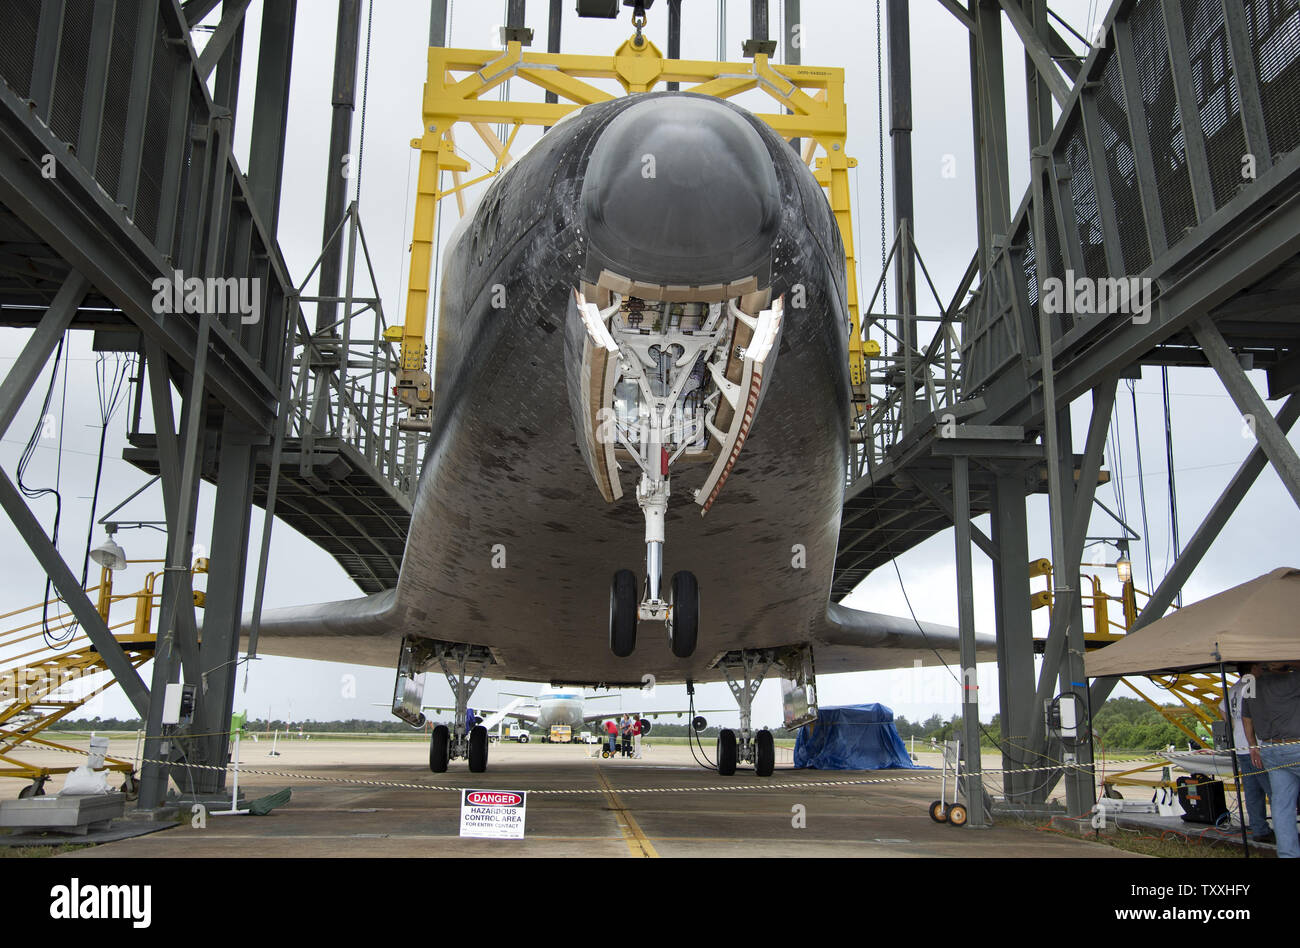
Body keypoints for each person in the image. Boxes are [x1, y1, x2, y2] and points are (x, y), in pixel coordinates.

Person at [1242, 661, 1300, 858]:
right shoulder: (1293, 679)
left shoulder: (1250, 686)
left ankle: (1288, 854)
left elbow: (1246, 719)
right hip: (1296, 744)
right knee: (1282, 804)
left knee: (1282, 805)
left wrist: (1252, 746)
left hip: (1268, 747)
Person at [1221, 663, 1273, 843]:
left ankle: (1259, 829)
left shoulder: (1234, 688)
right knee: (1274, 789)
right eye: (1260, 667)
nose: (1262, 670)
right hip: (1256, 744)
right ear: (1253, 668)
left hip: (1240, 745)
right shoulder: (1251, 684)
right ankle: (1282, 829)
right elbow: (1250, 713)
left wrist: (1234, 727)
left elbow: (1222, 709)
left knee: (1252, 791)